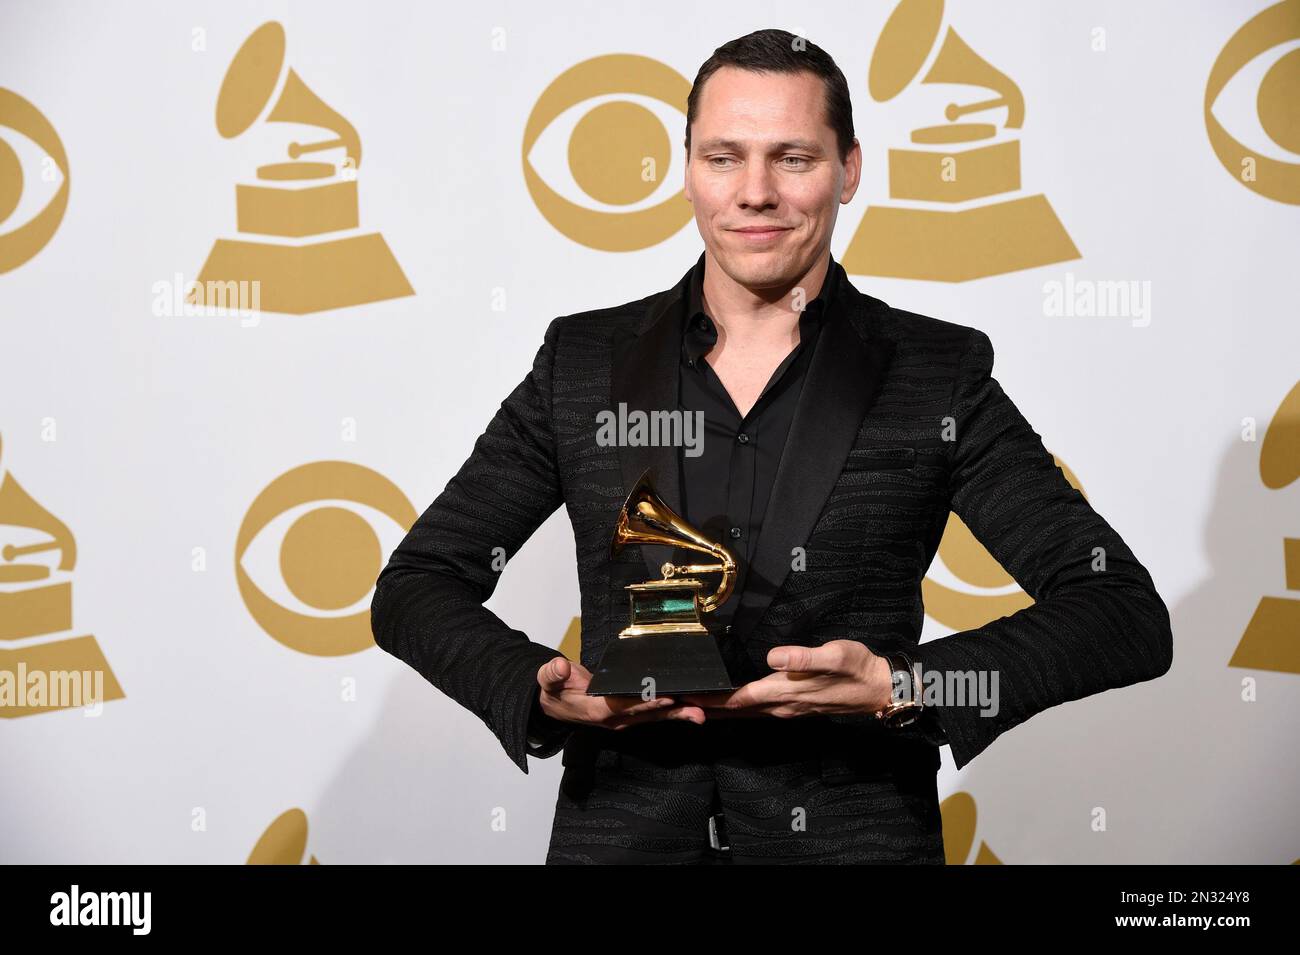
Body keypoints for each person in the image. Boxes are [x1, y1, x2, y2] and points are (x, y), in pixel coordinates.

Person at [369, 28, 1173, 864]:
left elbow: (1120, 612)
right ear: (687, 172)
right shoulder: (582, 363)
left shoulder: (936, 375)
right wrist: (541, 692)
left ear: (849, 170)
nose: (755, 193)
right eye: (724, 158)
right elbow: (417, 584)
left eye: (792, 158)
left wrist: (902, 687)